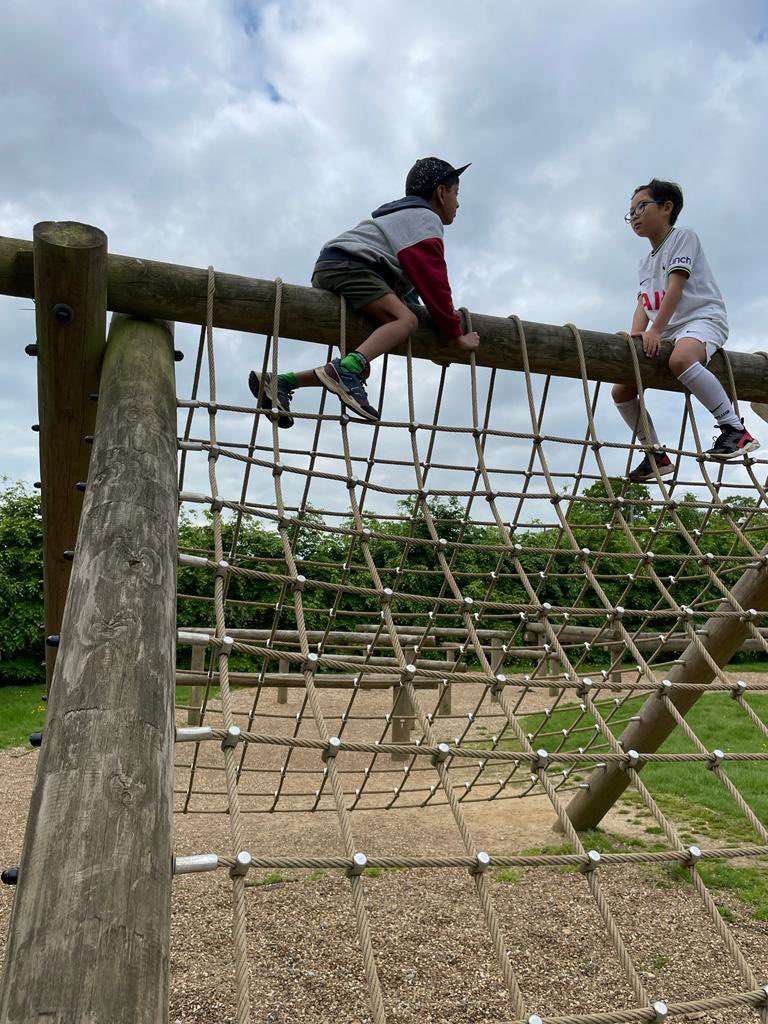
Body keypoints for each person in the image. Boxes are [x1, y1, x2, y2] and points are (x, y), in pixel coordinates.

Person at [249, 158, 480, 426]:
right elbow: (435, 283)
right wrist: (454, 335)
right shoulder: (426, 219)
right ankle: (345, 371)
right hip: (353, 266)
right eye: (456, 193)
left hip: (335, 265)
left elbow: (412, 293)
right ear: (442, 193)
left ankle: (279, 382)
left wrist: (434, 339)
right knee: (404, 322)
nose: (458, 203)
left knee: (358, 364)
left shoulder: (402, 220)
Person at [612, 178, 759, 482]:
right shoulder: (644, 263)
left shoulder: (683, 238)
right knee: (622, 388)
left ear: (667, 208)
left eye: (642, 206)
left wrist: (656, 330)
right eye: (630, 212)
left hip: (701, 317)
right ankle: (655, 454)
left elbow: (676, 287)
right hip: (667, 328)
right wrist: (636, 338)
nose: (635, 215)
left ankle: (735, 429)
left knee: (680, 360)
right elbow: (643, 303)